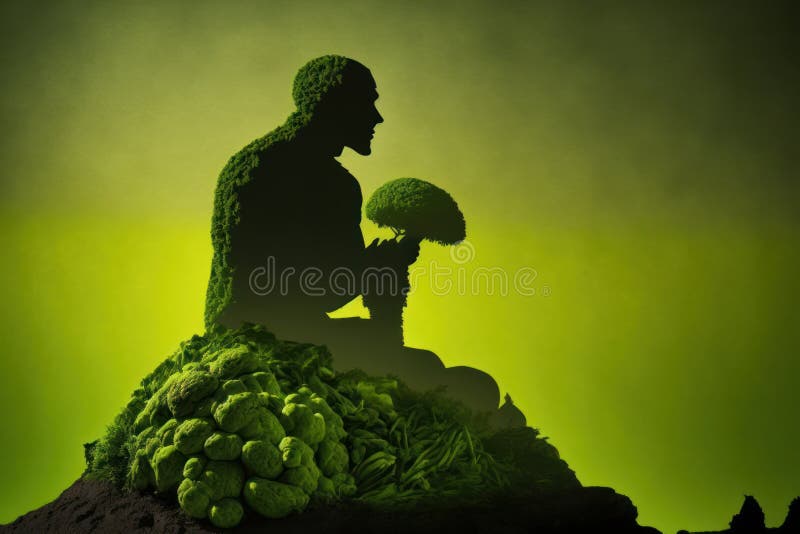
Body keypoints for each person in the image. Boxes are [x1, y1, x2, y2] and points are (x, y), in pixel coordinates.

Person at [204, 55, 514, 424]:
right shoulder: (332, 184)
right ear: (335, 105)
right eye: (368, 103)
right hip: (279, 344)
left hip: (237, 329)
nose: (376, 118)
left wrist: (371, 269)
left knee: (427, 365)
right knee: (471, 386)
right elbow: (314, 291)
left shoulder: (251, 161)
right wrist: (380, 270)